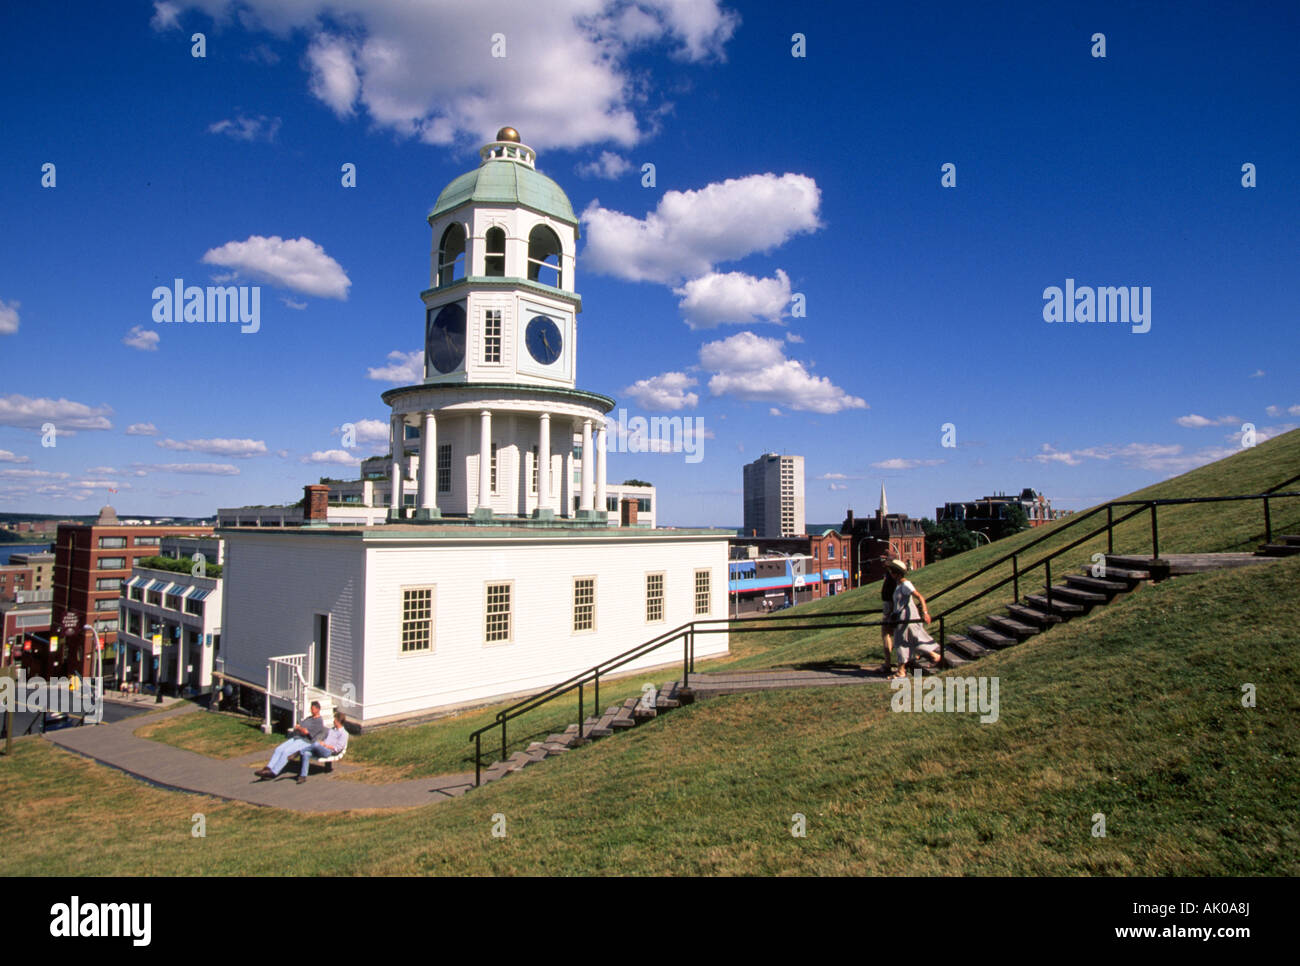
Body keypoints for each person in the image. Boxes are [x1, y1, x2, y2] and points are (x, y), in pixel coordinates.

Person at [886, 559, 941, 677]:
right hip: (901, 618)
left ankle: (901, 671)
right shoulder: (898, 584)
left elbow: (920, 597)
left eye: (892, 572)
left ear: (898, 573)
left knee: (900, 643)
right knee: (913, 640)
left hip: (907, 619)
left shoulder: (906, 584)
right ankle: (934, 656)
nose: (890, 574)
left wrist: (925, 612)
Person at [255, 701, 326, 780]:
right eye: (311, 708)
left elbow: (307, 733)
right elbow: (300, 726)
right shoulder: (309, 718)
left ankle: (274, 772)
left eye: (313, 709)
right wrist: (299, 728)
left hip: (305, 741)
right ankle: (268, 768)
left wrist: (299, 728)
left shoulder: (319, 721)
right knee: (279, 749)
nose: (311, 710)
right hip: (297, 737)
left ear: (318, 709)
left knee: (286, 752)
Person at [296, 713, 349, 784]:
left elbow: (338, 748)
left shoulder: (343, 734)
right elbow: (325, 739)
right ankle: (303, 776)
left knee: (315, 744)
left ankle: (299, 751)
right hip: (321, 749)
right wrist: (322, 743)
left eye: (335, 719)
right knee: (306, 753)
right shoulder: (332, 730)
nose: (333, 721)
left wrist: (325, 746)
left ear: (338, 721)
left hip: (329, 752)